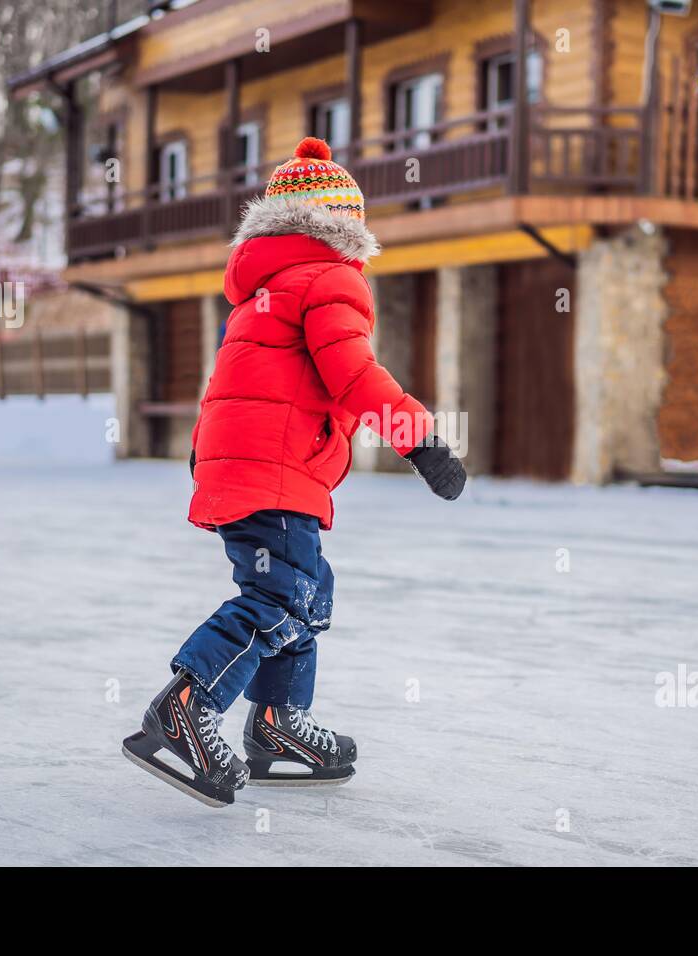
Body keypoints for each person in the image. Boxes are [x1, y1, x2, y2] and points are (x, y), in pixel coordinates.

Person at [122, 137, 466, 807]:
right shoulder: (331, 278)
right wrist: (420, 438)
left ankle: (277, 723)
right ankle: (186, 708)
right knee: (279, 598)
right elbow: (355, 375)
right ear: (344, 225)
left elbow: (229, 386)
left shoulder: (261, 293)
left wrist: (207, 457)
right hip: (275, 476)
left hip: (248, 471)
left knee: (304, 591)